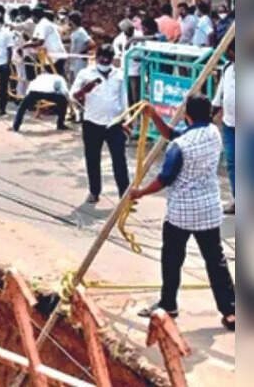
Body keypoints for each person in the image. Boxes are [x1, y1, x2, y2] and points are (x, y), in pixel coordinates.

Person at [130, 95, 235, 331]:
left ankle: (168, 304)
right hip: (208, 209)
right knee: (215, 260)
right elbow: (171, 133)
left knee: (172, 259)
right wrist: (155, 116)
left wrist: (140, 192)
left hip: (182, 213)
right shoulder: (213, 134)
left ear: (187, 114)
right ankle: (231, 310)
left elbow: (164, 179)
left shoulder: (181, 146)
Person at [72, 46, 130, 204]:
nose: (104, 61)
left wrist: (127, 120)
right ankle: (94, 191)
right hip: (92, 122)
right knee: (92, 159)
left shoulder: (119, 75)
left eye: (108, 58)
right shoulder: (85, 74)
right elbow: (73, 96)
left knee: (119, 160)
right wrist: (85, 90)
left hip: (114, 123)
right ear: (96, 57)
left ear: (112, 59)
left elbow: (124, 98)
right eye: (102, 57)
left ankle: (125, 196)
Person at [212, 41, 235, 214]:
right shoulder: (227, 68)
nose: (228, 55)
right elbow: (219, 97)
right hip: (229, 123)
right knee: (232, 163)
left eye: (230, 51)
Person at [24, 7, 67, 77]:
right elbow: (34, 39)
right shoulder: (40, 24)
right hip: (51, 57)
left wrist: (25, 46)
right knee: (54, 77)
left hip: (56, 56)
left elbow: (40, 42)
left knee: (58, 78)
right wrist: (26, 44)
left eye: (32, 17)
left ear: (35, 16)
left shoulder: (43, 24)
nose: (32, 19)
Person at [67, 12, 94, 80]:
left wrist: (82, 52)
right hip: (73, 62)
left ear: (72, 20)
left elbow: (91, 43)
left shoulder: (81, 32)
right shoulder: (74, 32)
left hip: (79, 62)